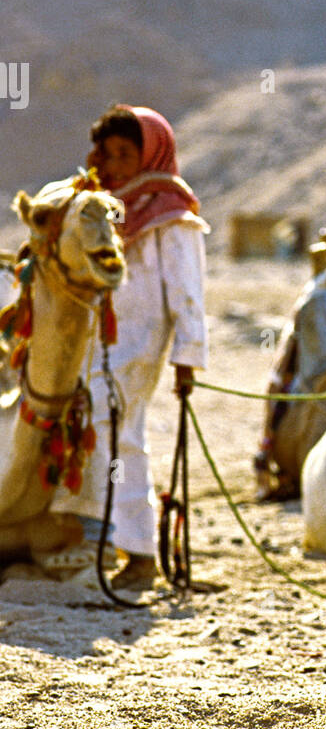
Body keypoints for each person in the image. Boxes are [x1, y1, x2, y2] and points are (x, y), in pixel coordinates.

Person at [52, 105, 209, 589]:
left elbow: (187, 291)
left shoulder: (171, 214)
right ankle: (94, 539)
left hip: (141, 344)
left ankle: (140, 554)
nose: (116, 166)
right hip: (101, 344)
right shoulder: (104, 212)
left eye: (127, 153)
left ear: (152, 153)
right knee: (97, 429)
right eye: (109, 154)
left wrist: (187, 356)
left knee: (119, 432)